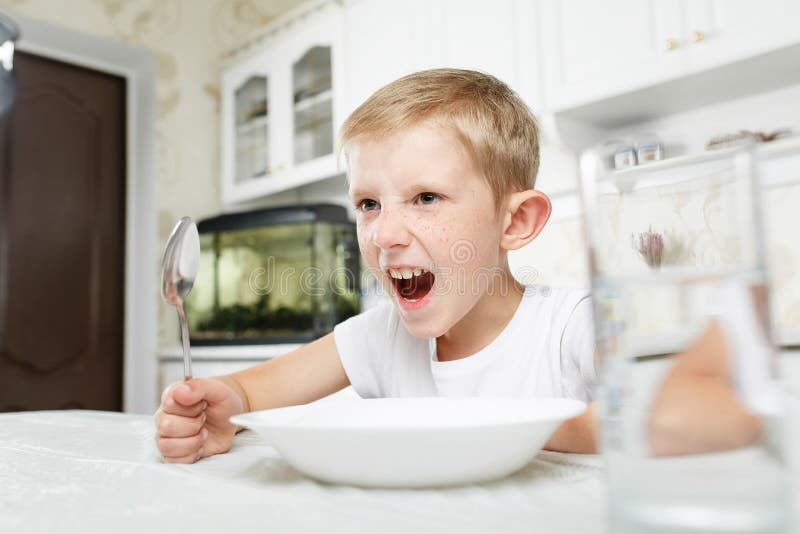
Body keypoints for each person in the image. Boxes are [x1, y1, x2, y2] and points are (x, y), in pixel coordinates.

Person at [153, 68, 601, 464]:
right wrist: (218, 411)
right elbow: (248, 394)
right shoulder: (380, 337)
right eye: (369, 203)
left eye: (426, 198)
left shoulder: (572, 326)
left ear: (516, 221)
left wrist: (490, 429)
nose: (384, 235)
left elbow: (654, 414)